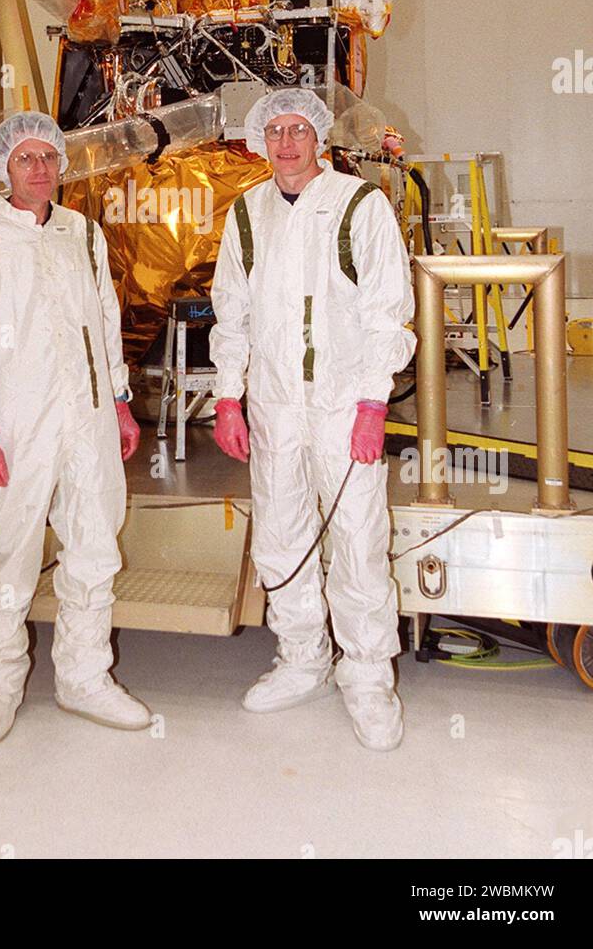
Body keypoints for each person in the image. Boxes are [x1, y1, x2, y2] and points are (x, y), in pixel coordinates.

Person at [0, 111, 150, 746]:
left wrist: (118, 402)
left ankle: (85, 677)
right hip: (15, 425)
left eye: (48, 158)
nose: (39, 169)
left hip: (86, 420)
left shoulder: (82, 234)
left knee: (94, 544)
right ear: (4, 166)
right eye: (25, 158)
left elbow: (103, 325)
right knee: (10, 554)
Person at [209, 88, 415, 750]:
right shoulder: (246, 214)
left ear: (318, 136)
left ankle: (367, 672)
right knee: (280, 534)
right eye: (275, 131)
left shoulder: (359, 206)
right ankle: (302, 657)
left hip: (341, 405)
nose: (287, 142)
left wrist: (370, 402)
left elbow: (388, 315)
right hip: (273, 407)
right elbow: (231, 315)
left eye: (298, 129)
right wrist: (228, 397)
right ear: (259, 141)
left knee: (356, 537)